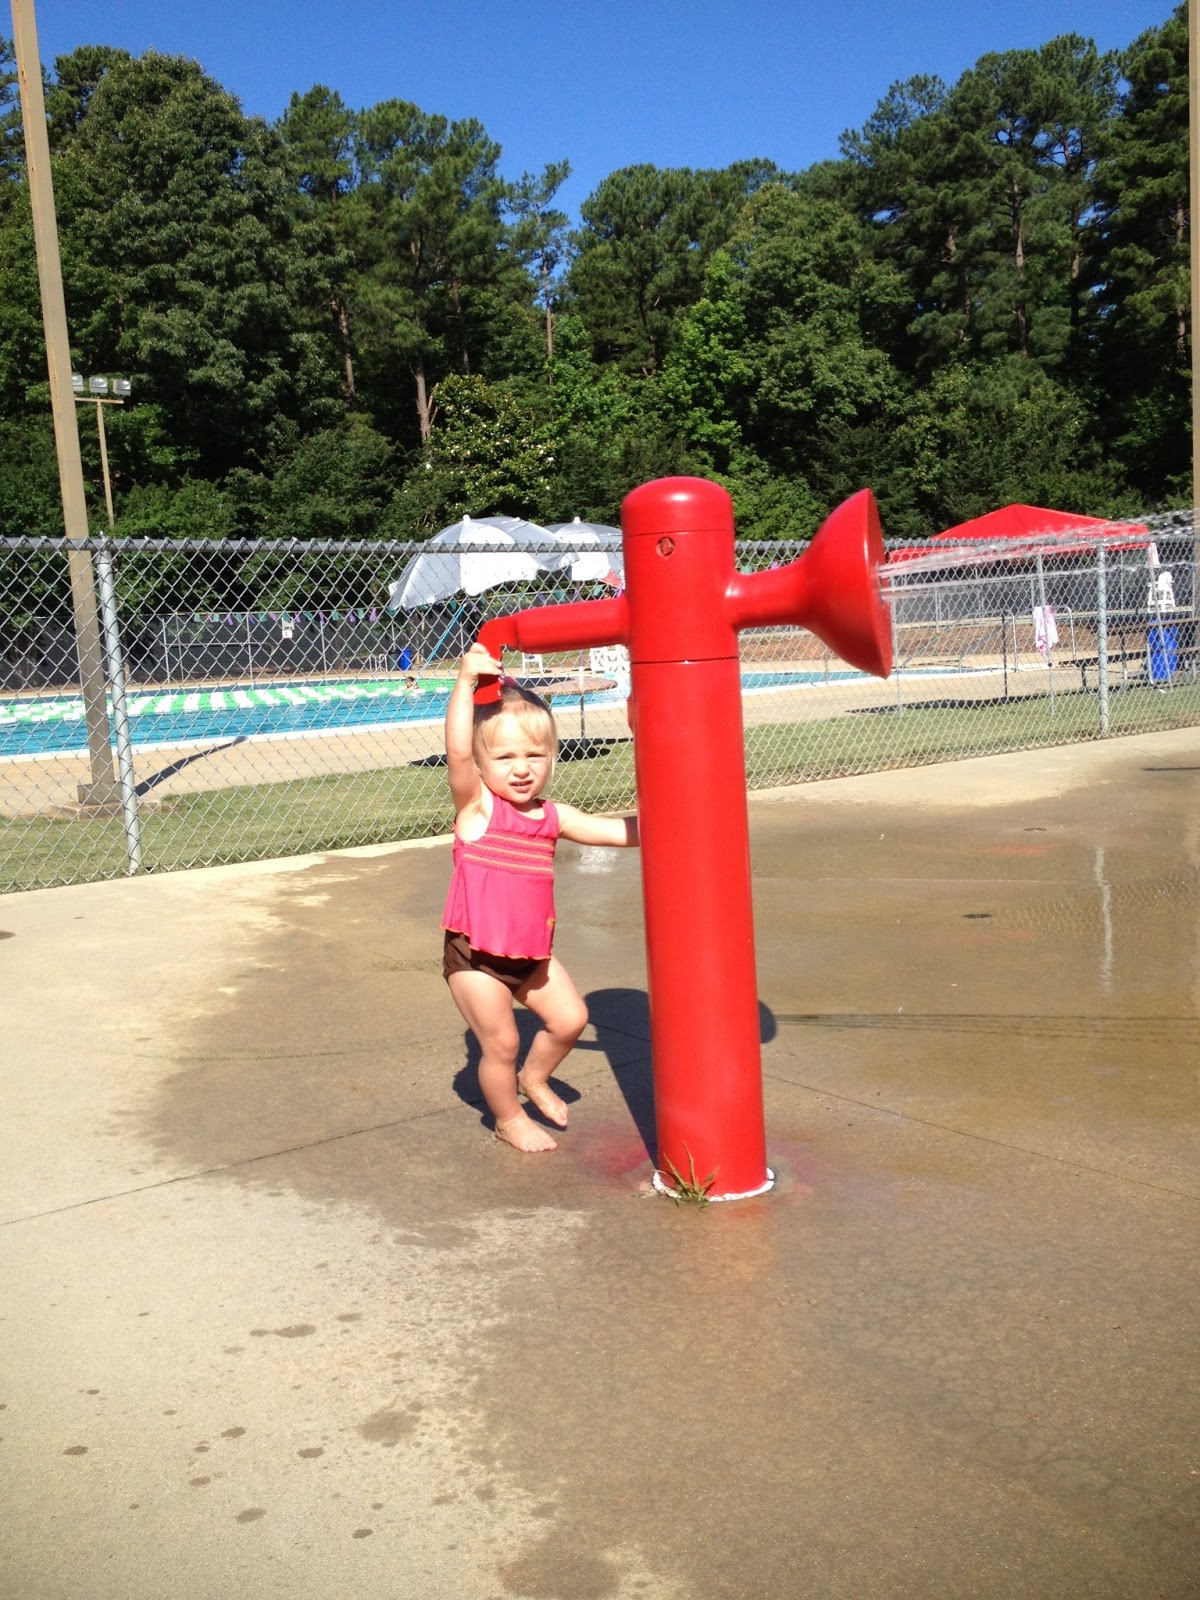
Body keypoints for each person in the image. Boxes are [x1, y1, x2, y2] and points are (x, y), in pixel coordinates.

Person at [442, 641, 638, 1153]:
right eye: (504, 756)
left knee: (571, 1020)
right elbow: (457, 750)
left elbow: (616, 832)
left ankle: (535, 1077)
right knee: (501, 1041)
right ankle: (508, 1118)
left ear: (552, 757)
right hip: (475, 955)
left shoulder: (554, 816)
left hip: (531, 953)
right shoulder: (478, 810)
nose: (522, 767)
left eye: (535, 754)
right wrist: (465, 682)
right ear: (482, 764)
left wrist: (678, 812)